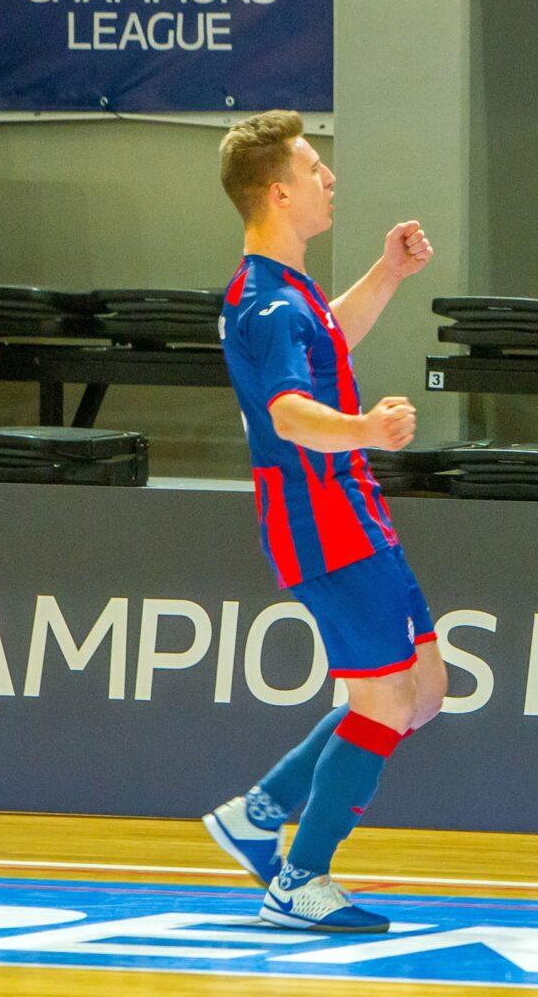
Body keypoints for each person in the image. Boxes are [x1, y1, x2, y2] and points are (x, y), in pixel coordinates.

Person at [199, 110, 444, 933]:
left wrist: (387, 273)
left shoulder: (291, 291)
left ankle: (259, 813)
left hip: (355, 510)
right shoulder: (265, 305)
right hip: (323, 520)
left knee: (423, 692)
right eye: (313, 166)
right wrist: (367, 429)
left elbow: (329, 337)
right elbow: (291, 412)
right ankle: (299, 879)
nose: (328, 177)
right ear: (277, 190)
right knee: (386, 701)